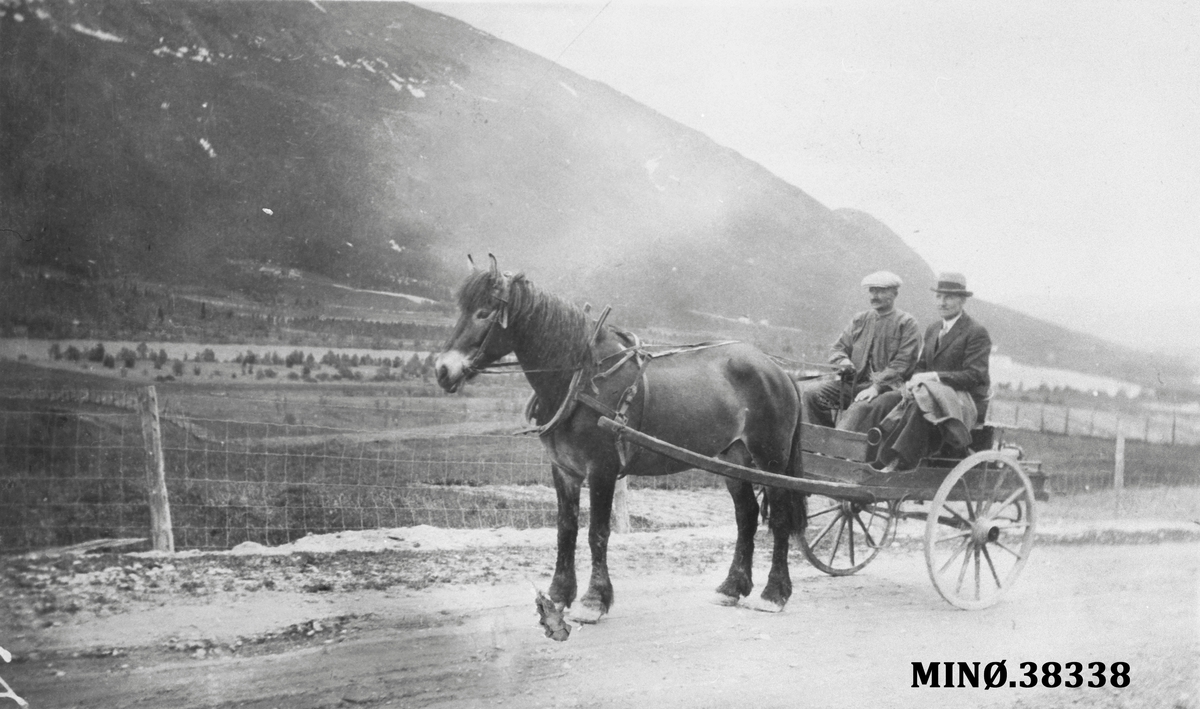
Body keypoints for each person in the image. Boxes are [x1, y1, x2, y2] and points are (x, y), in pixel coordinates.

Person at [871, 272, 992, 471]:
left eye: (949, 297)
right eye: (939, 296)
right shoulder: (934, 329)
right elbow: (921, 365)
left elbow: (974, 376)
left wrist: (933, 377)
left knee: (923, 405)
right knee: (887, 400)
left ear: (962, 301)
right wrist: (912, 382)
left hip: (966, 400)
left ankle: (899, 462)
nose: (942, 302)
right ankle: (874, 457)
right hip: (931, 393)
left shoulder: (975, 332)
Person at [799, 270, 920, 432]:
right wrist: (843, 362)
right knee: (813, 394)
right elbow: (837, 348)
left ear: (895, 293)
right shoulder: (859, 320)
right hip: (854, 385)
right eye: (871, 290)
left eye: (880, 291)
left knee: (859, 407)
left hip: (889, 390)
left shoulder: (907, 323)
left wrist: (876, 388)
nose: (873, 296)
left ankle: (837, 448)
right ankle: (824, 441)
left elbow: (902, 364)